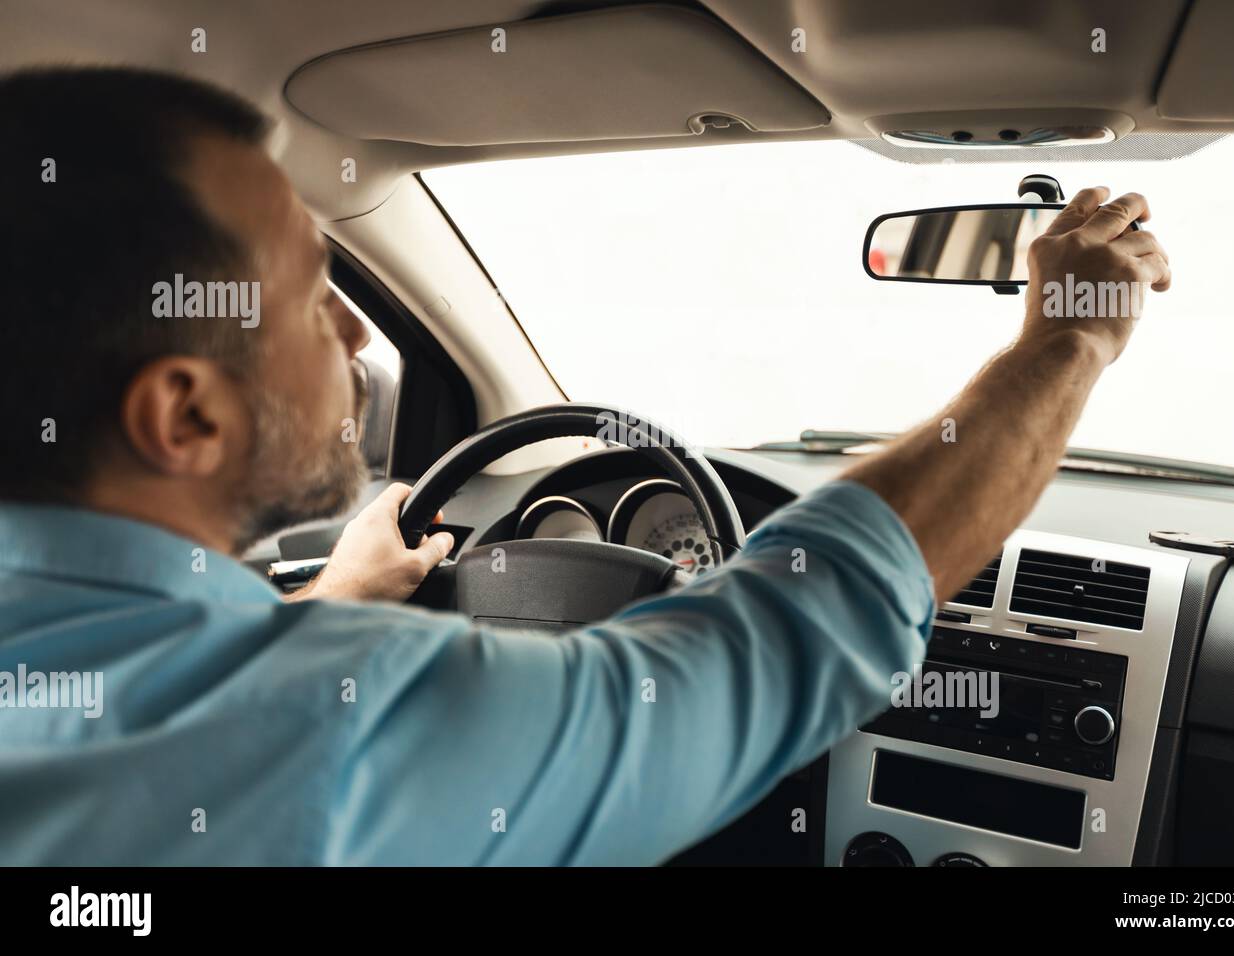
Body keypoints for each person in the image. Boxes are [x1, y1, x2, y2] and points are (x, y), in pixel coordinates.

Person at [0, 67, 1170, 865]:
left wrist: (332, 596)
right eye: (317, 298)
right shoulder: (334, 730)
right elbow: (785, 634)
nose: (360, 337)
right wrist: (1068, 337)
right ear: (183, 417)